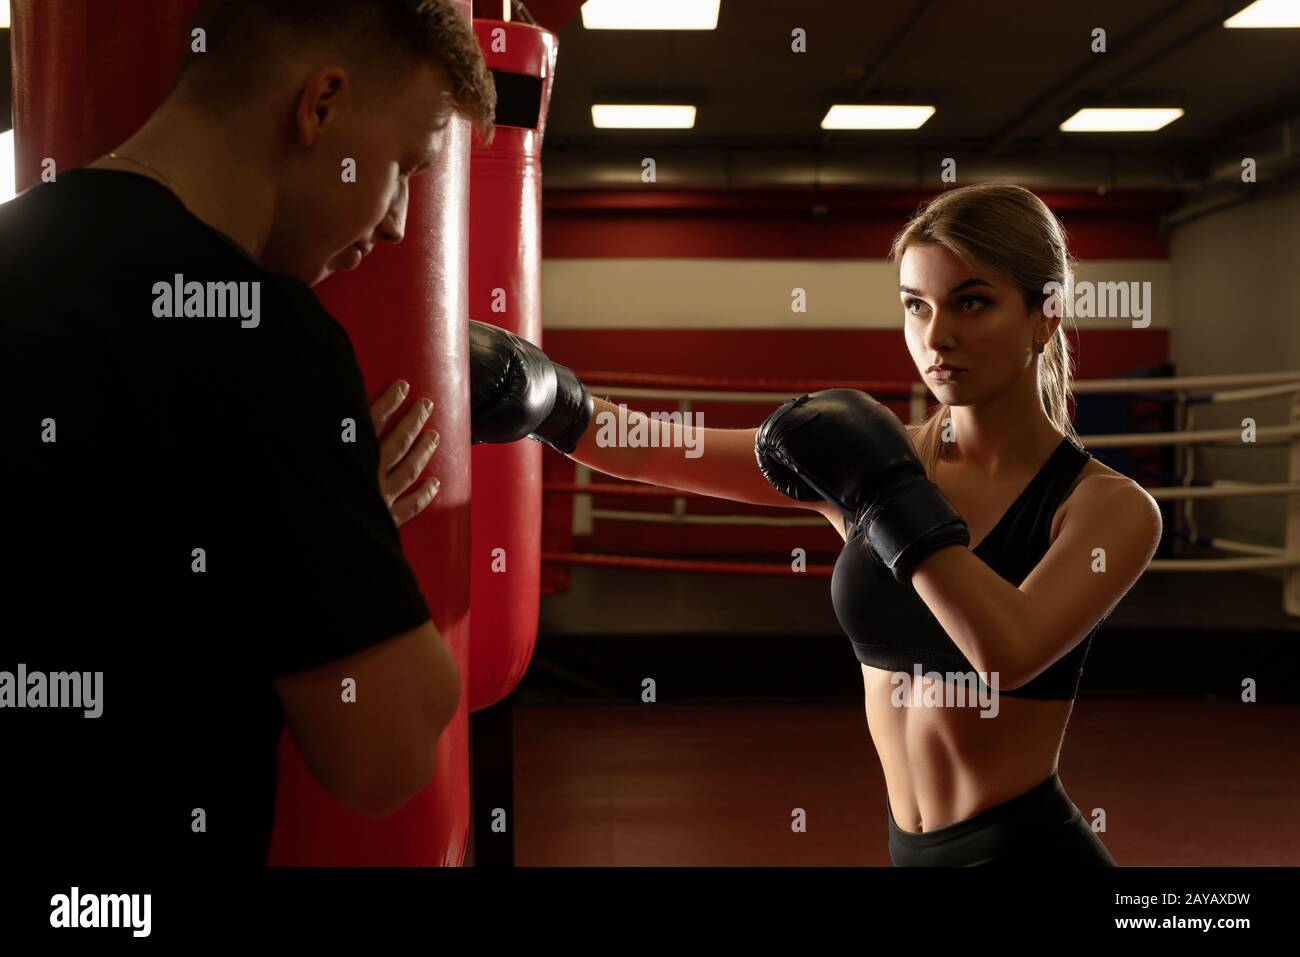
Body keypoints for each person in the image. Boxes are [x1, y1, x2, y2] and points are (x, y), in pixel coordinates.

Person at [468, 182, 1162, 866]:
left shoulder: (1105, 506)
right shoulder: (882, 459)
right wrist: (547, 397)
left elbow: (1006, 653)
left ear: (1046, 315)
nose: (936, 336)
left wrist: (887, 496)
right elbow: (659, 447)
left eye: (971, 302)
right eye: (915, 306)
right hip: (911, 852)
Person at [0, 0, 494, 869]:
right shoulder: (269, 337)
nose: (399, 222)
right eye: (404, 166)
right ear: (323, 104)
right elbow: (386, 754)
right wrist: (334, 527)